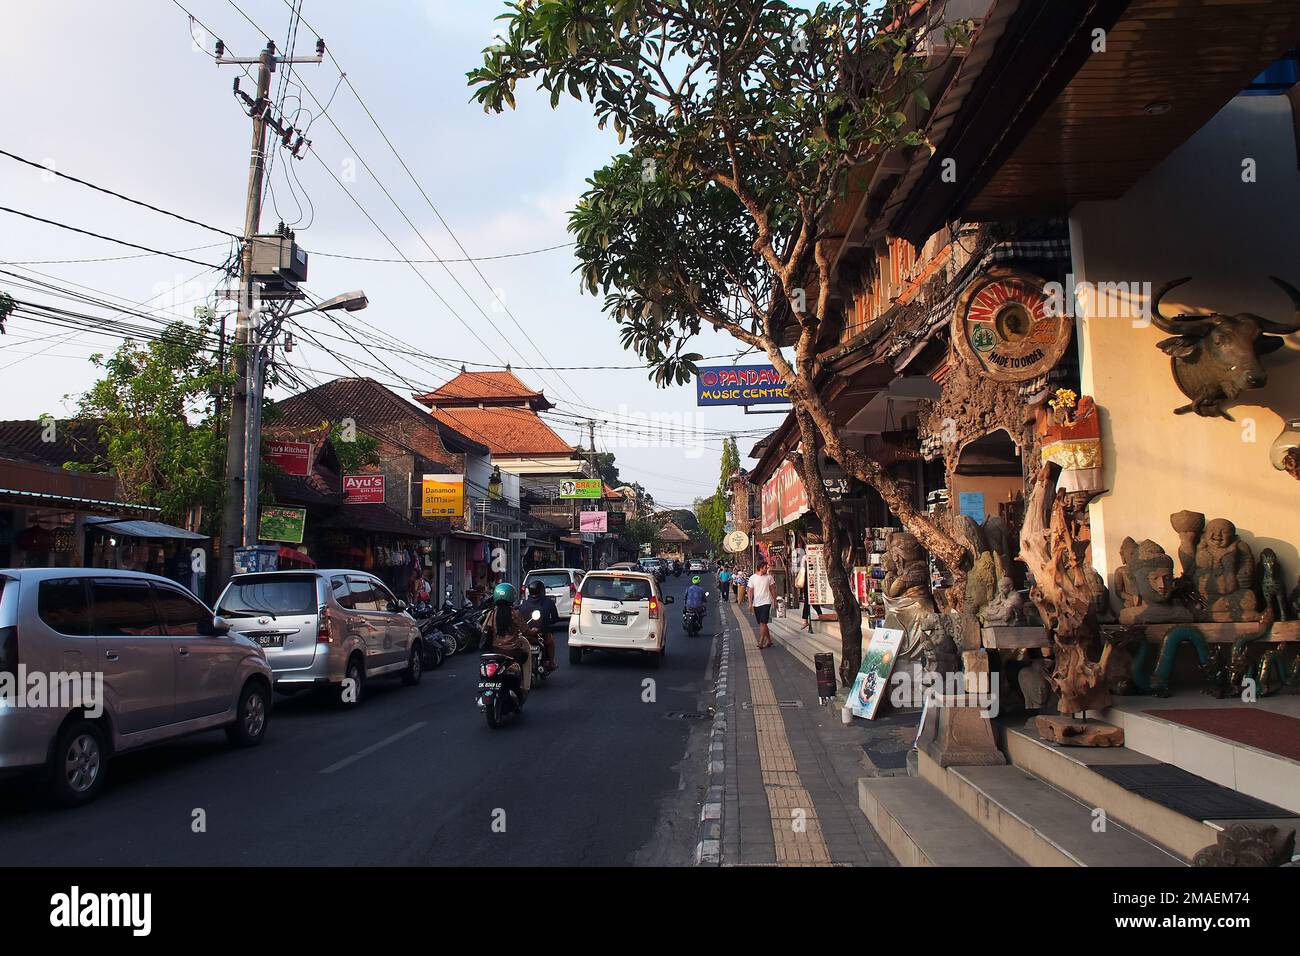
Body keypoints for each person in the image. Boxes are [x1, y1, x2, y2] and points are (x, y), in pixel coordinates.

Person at [480, 583, 539, 696]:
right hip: (512, 652)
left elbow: (483, 629)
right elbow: (526, 631)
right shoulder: (515, 614)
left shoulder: (492, 613)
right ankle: (522, 686)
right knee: (525, 656)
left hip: (495, 651)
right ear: (512, 596)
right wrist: (534, 631)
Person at [519, 579, 559, 671]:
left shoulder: (523, 603)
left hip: (526, 632)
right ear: (542, 590)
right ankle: (551, 663)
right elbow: (555, 618)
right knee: (550, 641)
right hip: (541, 631)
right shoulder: (548, 602)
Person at [750, 559, 776, 649]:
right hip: (757, 603)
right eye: (765, 567)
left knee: (763, 621)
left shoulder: (769, 577)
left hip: (766, 602)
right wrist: (750, 603)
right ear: (760, 568)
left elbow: (772, 588)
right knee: (762, 623)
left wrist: (774, 600)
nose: (767, 568)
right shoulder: (752, 578)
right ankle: (769, 640)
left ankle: (761, 641)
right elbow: (750, 591)